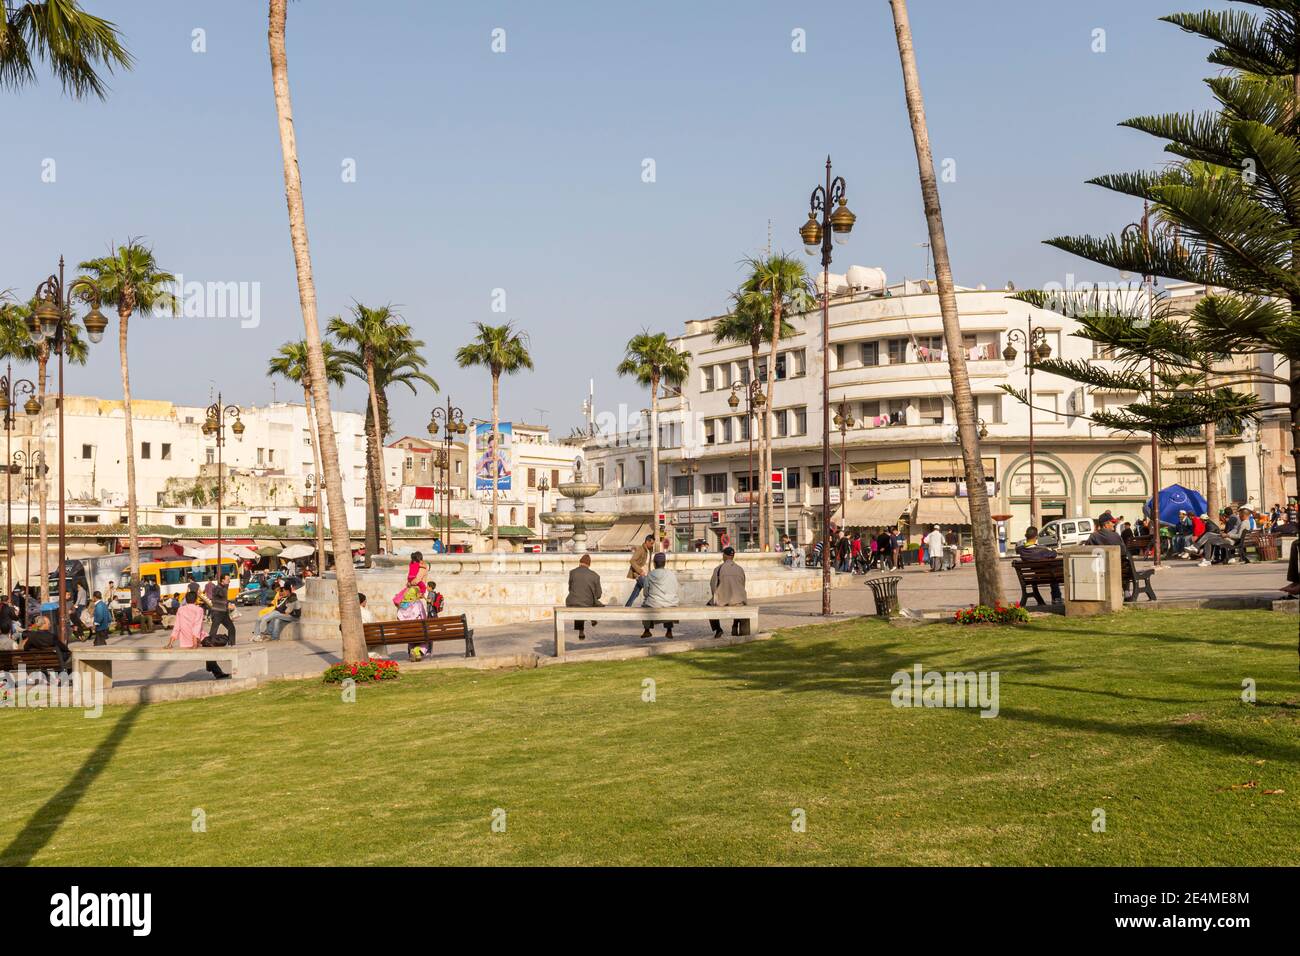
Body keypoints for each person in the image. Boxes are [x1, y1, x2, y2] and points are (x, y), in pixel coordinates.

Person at [167, 591, 229, 679]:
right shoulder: (199, 610)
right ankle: (215, 670)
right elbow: (197, 626)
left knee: (210, 645)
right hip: (198, 639)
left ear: (186, 600)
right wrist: (195, 643)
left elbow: (177, 627)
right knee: (221, 640)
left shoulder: (180, 610)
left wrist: (170, 643)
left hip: (186, 642)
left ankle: (215, 670)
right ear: (195, 600)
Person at [707, 546, 747, 638]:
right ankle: (735, 625)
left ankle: (718, 629)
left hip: (723, 600)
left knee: (709, 606)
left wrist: (716, 596)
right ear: (733, 556)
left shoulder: (718, 569)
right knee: (738, 602)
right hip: (739, 600)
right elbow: (743, 584)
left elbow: (713, 585)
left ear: (724, 555)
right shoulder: (740, 569)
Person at [1016, 526, 1062, 604]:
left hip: (1035, 577)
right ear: (1036, 537)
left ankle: (1053, 598)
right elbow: (1054, 554)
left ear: (1026, 536)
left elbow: (1022, 548)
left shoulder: (1021, 550)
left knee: (1052, 573)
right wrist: (1053, 550)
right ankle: (1056, 598)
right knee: (1054, 575)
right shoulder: (1042, 550)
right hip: (1048, 575)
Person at [640, 551, 679, 639]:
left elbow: (645, 592)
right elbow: (675, 589)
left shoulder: (650, 574)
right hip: (670, 603)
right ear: (664, 563)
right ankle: (669, 631)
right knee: (668, 603)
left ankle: (647, 630)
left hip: (654, 603)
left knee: (645, 605)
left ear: (654, 563)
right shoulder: (671, 574)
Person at [565, 553, 603, 640]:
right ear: (589, 564)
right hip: (587, 602)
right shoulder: (595, 575)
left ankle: (581, 632)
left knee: (578, 601)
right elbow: (599, 594)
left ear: (580, 563)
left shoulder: (572, 572)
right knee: (590, 601)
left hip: (572, 602)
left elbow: (570, 588)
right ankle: (592, 617)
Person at [206, 574, 236, 646]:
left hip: (224, 612)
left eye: (229, 579)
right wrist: (225, 586)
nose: (229, 581)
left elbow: (223, 599)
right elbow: (221, 594)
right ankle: (210, 643)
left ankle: (231, 644)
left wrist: (229, 604)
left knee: (231, 628)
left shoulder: (224, 587)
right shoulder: (217, 588)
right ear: (223, 580)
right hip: (217, 612)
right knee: (214, 630)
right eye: (227, 579)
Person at [625, 534, 654, 607]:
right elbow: (632, 561)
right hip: (640, 575)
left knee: (636, 592)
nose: (652, 545)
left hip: (646, 575)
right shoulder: (640, 549)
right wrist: (640, 571)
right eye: (651, 543)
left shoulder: (649, 550)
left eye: (653, 543)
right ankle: (647, 605)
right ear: (646, 541)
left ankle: (627, 606)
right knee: (649, 590)